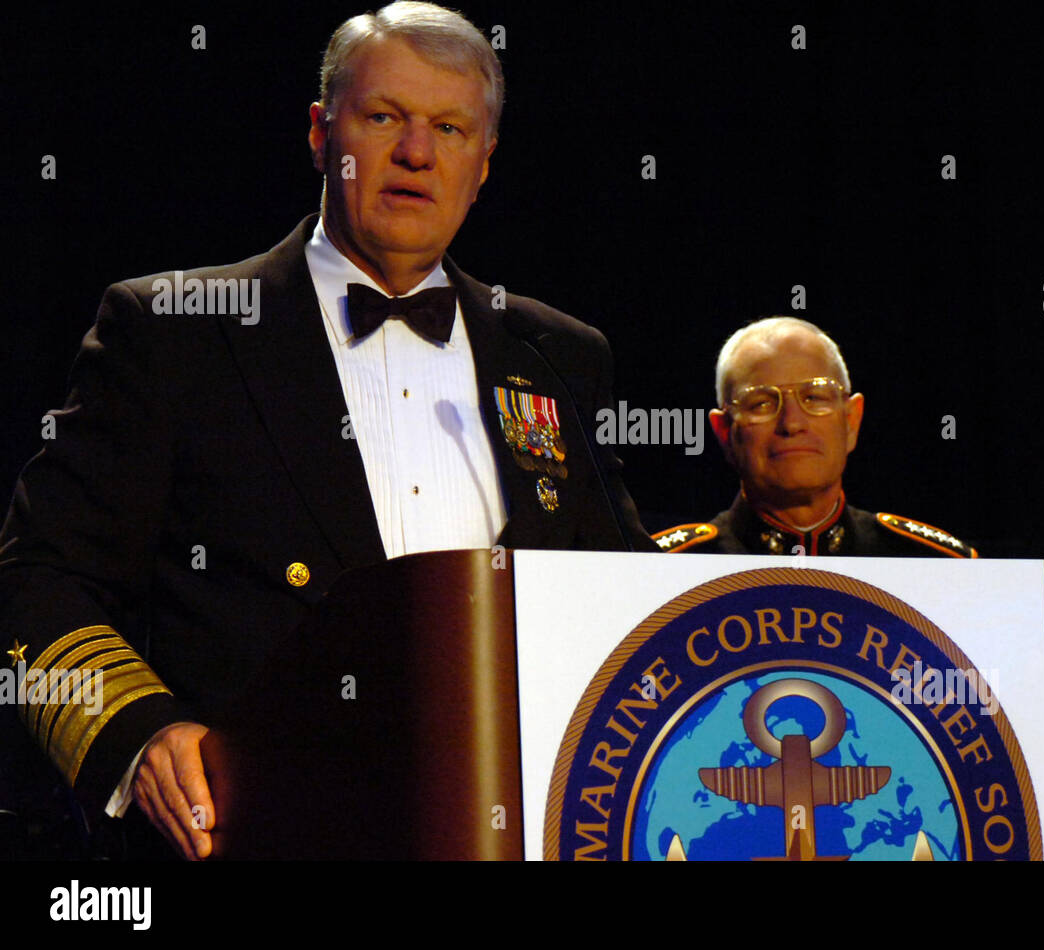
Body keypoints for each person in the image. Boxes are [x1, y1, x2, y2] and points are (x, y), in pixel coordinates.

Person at [0, 1, 653, 861]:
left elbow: (621, 599)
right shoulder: (176, 329)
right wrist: (137, 739)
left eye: (450, 129)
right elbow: (39, 580)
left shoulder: (559, 356)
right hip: (260, 837)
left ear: (483, 164)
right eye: (384, 117)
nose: (416, 152)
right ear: (320, 133)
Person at [653, 317, 977, 558]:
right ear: (724, 432)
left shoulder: (936, 566)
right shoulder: (663, 570)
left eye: (815, 398)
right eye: (762, 403)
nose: (792, 423)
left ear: (851, 420)